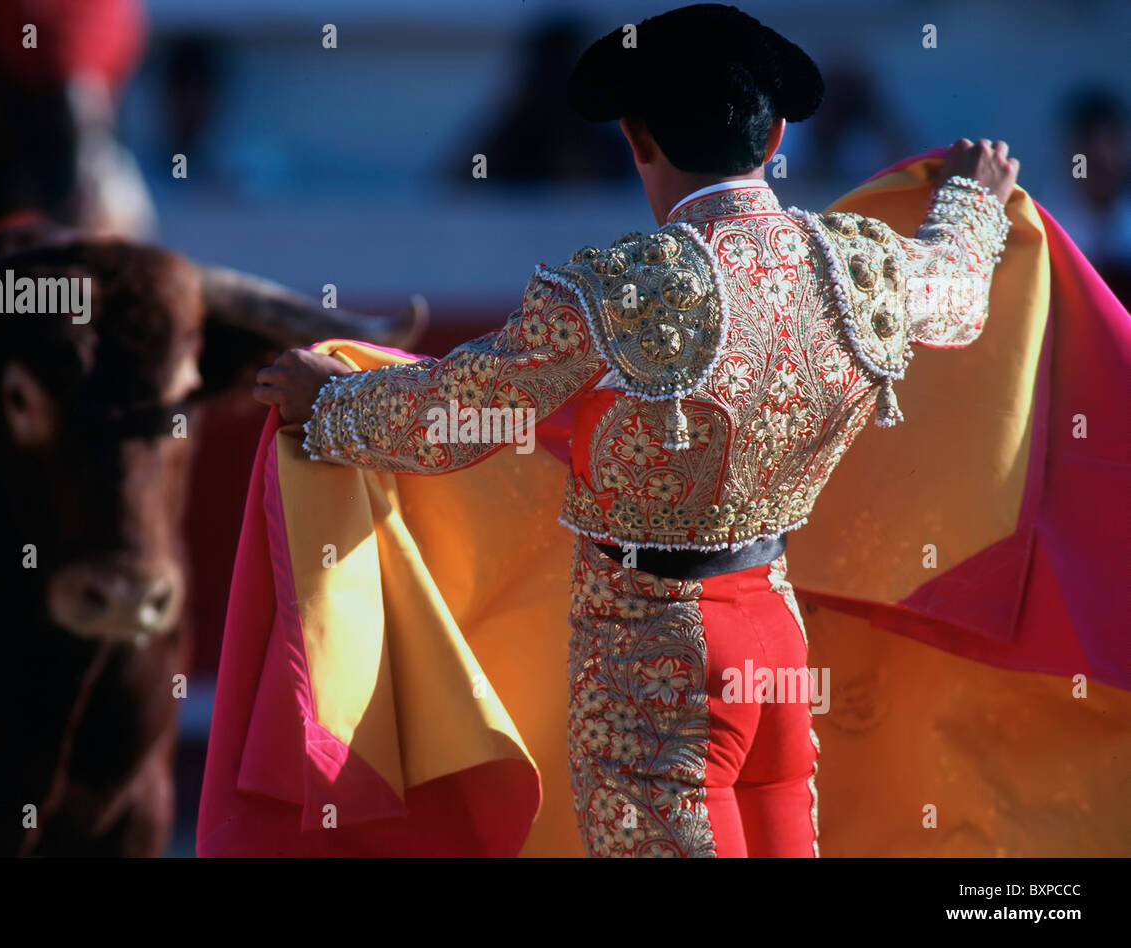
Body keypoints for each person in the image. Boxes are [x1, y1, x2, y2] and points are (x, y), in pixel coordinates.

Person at [252, 3, 1016, 858]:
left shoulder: (624, 286)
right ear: (771, 146)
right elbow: (958, 290)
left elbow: (457, 416)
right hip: (776, 641)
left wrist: (329, 407)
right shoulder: (859, 263)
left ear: (635, 137)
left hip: (653, 664)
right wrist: (971, 201)